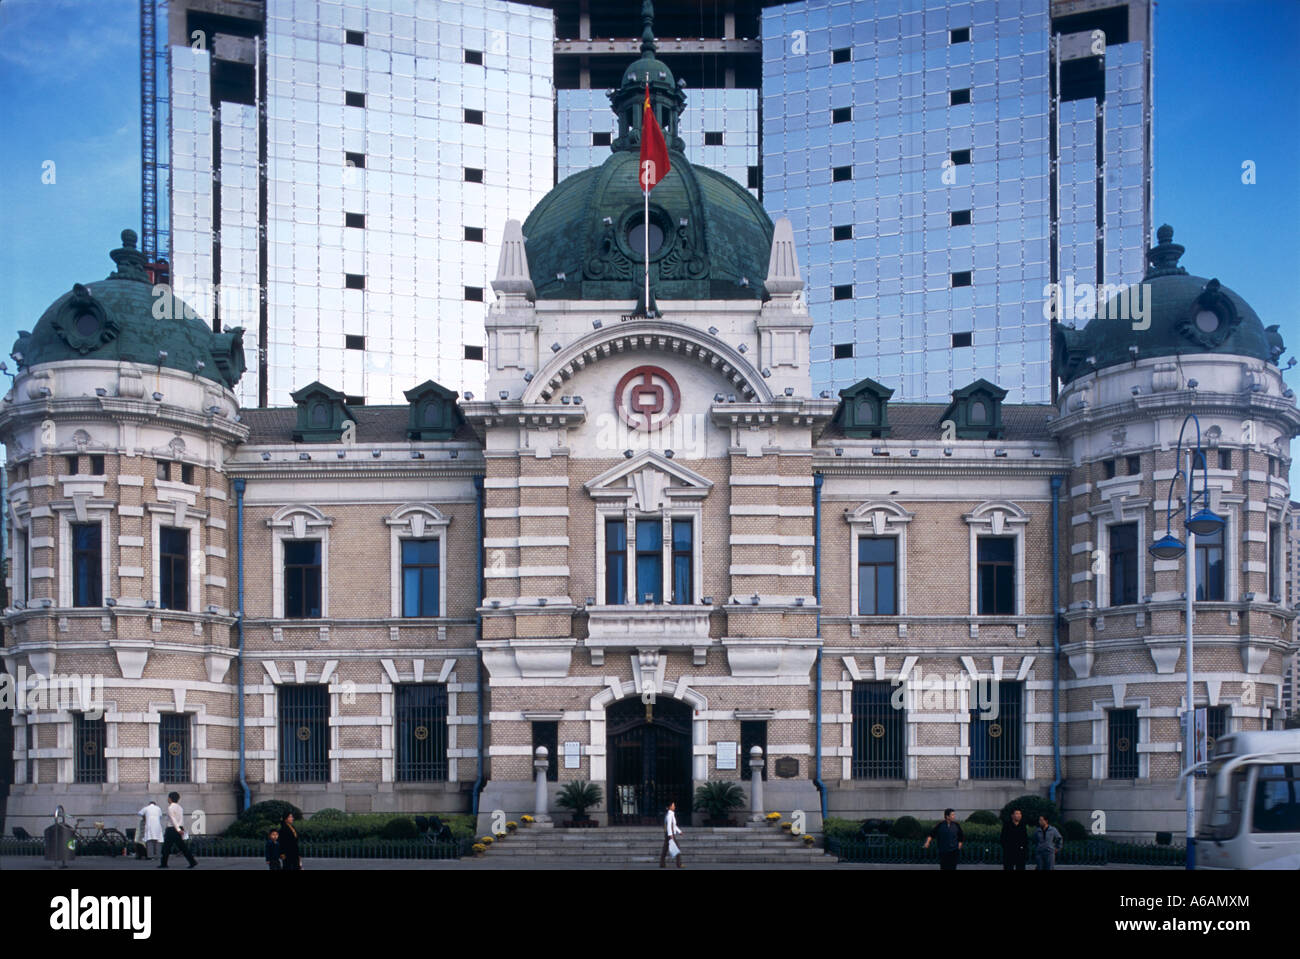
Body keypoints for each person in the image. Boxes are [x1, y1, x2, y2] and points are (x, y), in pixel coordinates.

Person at [158, 791, 197, 868]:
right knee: (182, 847)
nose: (168, 799)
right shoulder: (180, 807)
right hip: (179, 827)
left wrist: (178, 829)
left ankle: (164, 864)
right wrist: (181, 828)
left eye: (168, 798)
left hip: (172, 829)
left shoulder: (170, 807)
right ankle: (192, 861)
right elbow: (180, 819)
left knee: (166, 847)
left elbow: (173, 819)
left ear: (170, 798)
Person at [659, 801, 683, 869]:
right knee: (677, 847)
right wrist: (671, 835)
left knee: (665, 849)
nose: (674, 806)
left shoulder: (670, 814)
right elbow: (669, 825)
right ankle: (679, 864)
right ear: (670, 807)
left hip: (668, 834)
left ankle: (662, 864)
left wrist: (679, 831)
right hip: (670, 834)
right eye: (673, 805)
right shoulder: (670, 815)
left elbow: (674, 825)